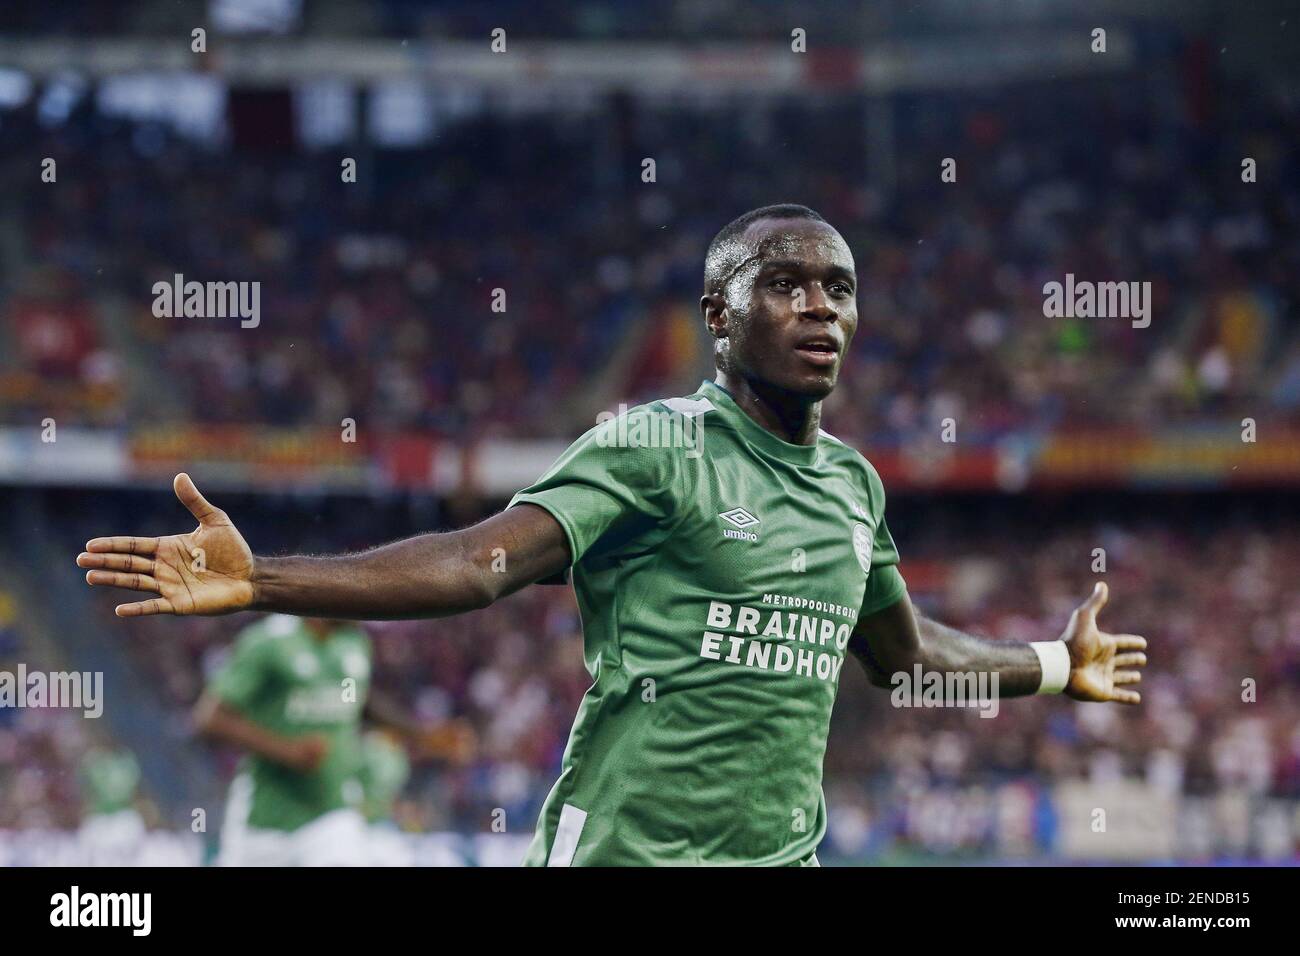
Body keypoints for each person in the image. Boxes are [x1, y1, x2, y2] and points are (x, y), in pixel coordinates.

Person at [78, 203, 1147, 866]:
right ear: (718, 317)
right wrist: (263, 576)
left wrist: (1055, 662)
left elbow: (906, 657)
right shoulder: (651, 448)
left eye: (838, 287)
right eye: (784, 283)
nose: (820, 307)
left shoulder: (852, 486)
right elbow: (477, 560)